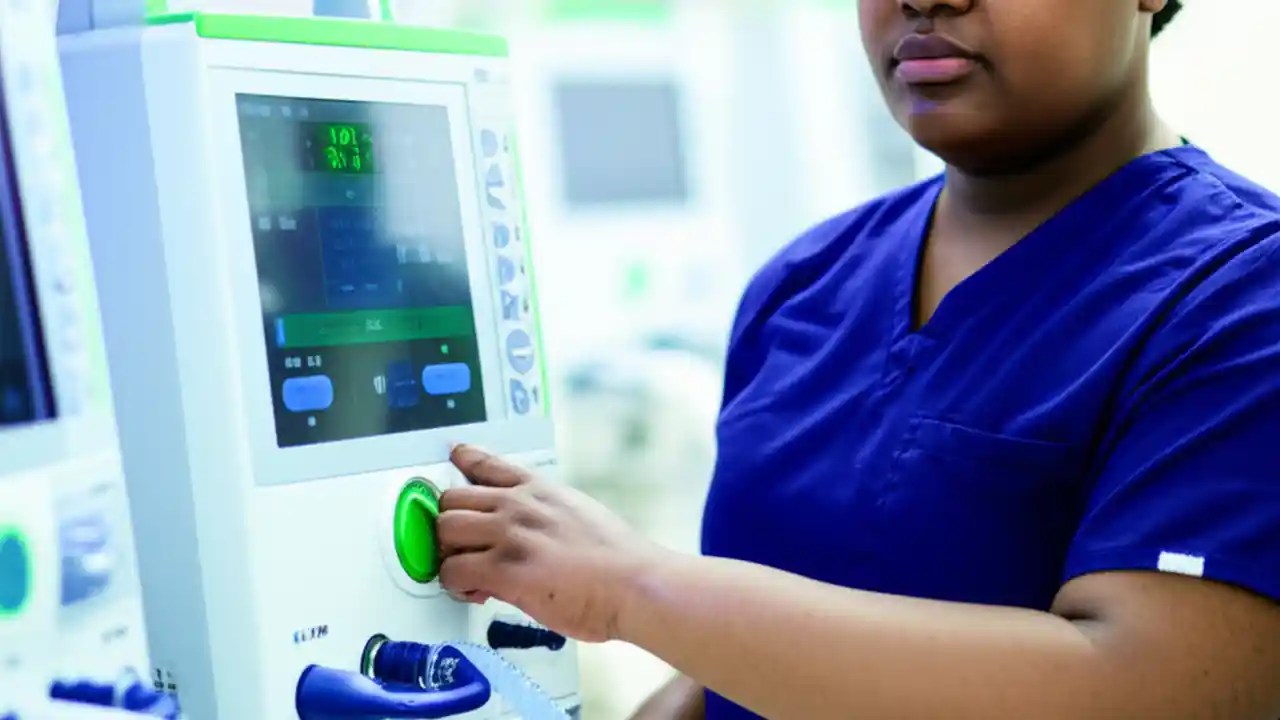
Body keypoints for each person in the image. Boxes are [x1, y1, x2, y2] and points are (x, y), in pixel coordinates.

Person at [437, 0, 1280, 716]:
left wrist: (629, 589)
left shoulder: (1239, 296)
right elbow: (742, 651)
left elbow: (1145, 688)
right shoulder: (805, 284)